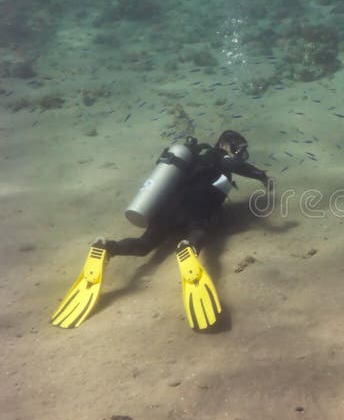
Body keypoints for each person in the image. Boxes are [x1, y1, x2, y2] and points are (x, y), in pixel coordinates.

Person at [51, 130, 271, 331]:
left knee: (143, 246)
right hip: (193, 210)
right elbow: (233, 165)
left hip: (165, 209)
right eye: (238, 149)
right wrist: (261, 176)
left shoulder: (195, 160)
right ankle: (188, 246)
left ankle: (106, 247)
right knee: (198, 230)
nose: (241, 155)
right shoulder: (217, 157)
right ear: (224, 145)